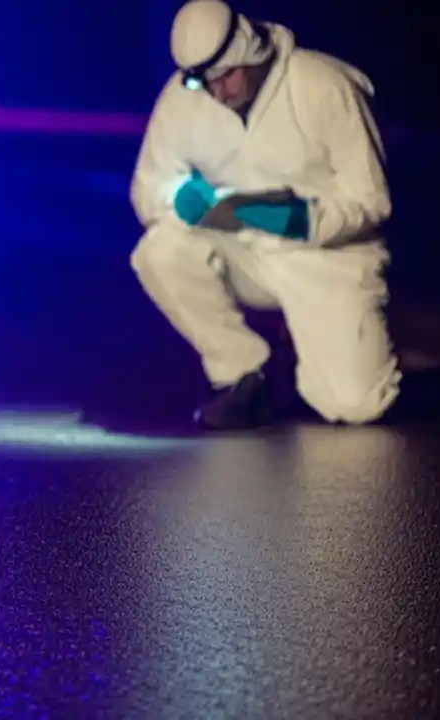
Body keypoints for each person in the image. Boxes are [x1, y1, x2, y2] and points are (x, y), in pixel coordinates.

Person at [129, 0, 401, 430]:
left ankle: (330, 335)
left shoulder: (323, 84)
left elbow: (372, 200)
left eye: (226, 77)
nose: (218, 93)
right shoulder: (184, 96)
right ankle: (241, 374)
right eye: (205, 83)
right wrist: (183, 200)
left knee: (357, 405)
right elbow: (147, 191)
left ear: (249, 51)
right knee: (159, 251)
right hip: (245, 252)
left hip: (328, 258)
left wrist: (296, 218)